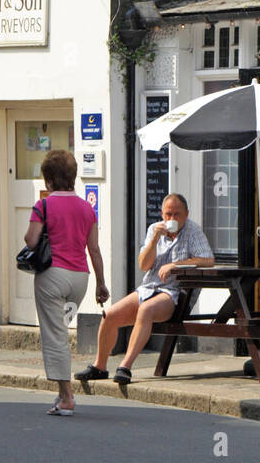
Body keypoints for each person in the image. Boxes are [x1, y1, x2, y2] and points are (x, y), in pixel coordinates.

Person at [76, 193, 214, 388]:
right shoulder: (154, 229)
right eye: (168, 214)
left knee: (146, 310)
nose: (172, 219)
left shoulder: (193, 231)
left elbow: (208, 260)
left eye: (177, 214)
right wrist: (155, 239)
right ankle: (100, 366)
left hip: (174, 294)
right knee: (110, 315)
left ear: (186, 214)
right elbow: (143, 265)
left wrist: (177, 265)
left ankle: (125, 366)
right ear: (162, 214)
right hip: (149, 288)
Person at [22, 150, 109, 417]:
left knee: (55, 336)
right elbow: (94, 249)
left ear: (48, 180)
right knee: (61, 331)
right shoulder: (87, 208)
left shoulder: (44, 205)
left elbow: (31, 241)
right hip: (80, 279)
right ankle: (62, 395)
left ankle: (68, 396)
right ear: (73, 177)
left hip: (52, 277)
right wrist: (101, 285)